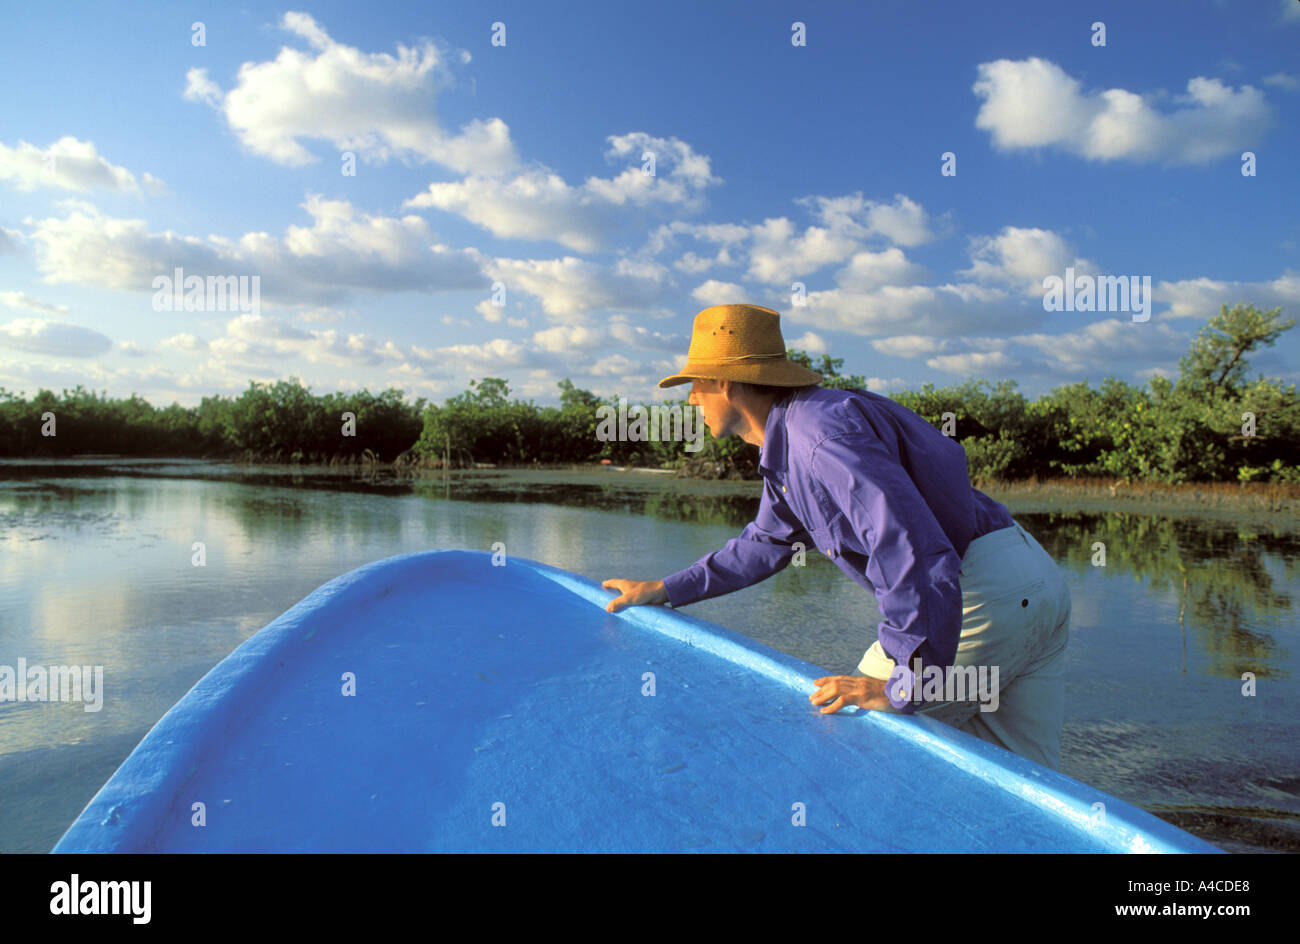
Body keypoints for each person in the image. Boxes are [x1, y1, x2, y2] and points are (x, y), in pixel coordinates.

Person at [602, 303, 1072, 769]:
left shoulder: (818, 439)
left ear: (726, 382)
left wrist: (906, 683)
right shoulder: (796, 435)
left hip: (980, 594)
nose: (691, 401)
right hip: (1030, 580)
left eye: (696, 386)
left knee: (852, 743)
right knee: (1032, 790)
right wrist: (665, 589)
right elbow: (764, 543)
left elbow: (910, 549)